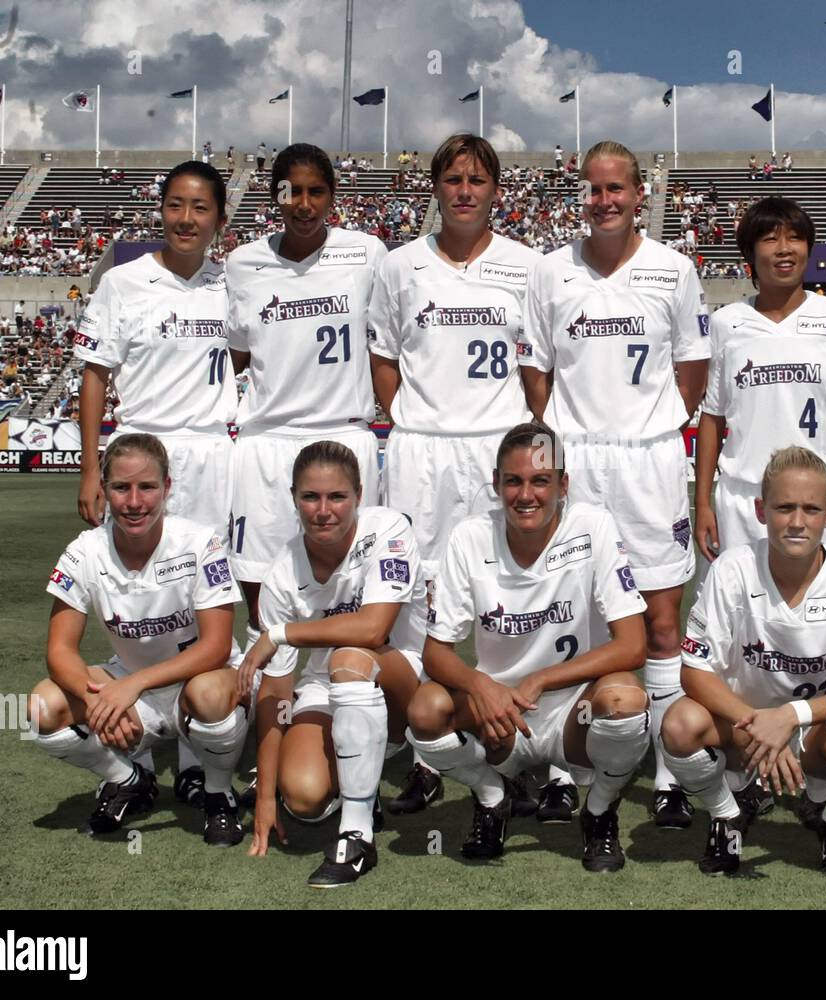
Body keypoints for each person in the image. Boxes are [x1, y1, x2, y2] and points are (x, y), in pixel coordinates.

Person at [518, 140, 711, 829]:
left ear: (638, 195)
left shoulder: (674, 269)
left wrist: (652, 425)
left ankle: (666, 774)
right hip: (579, 462)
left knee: (661, 621)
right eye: (592, 190)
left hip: (649, 460)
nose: (604, 201)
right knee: (577, 617)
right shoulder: (548, 272)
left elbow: (692, 369)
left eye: (616, 190)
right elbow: (535, 369)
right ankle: (569, 771)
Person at [368, 133, 539, 816]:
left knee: (509, 593)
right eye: (452, 178)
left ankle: (524, 746)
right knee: (415, 601)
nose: (464, 190)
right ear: (434, 188)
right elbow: (383, 357)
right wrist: (411, 416)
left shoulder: (529, 266)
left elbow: (538, 364)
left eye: (477, 179)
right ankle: (427, 750)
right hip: (422, 449)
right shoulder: (399, 267)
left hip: (497, 449)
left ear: (496, 189)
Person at [406, 422, 649, 871]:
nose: (526, 495)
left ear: (563, 484)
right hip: (501, 719)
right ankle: (491, 796)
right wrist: (482, 686)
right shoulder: (469, 536)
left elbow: (634, 645)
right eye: (513, 481)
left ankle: (599, 812)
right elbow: (435, 653)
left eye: (540, 481)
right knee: (425, 709)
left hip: (575, 712)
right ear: (497, 483)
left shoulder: (592, 525)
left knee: (626, 698)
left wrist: (541, 678)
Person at [662, 446, 826, 877]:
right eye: (784, 507)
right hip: (741, 728)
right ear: (760, 510)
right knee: (677, 724)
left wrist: (789, 717)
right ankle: (727, 813)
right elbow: (694, 672)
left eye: (811, 508)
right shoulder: (731, 570)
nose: (798, 521)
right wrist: (759, 725)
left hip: (814, 732)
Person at [28, 434, 249, 846]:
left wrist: (133, 685)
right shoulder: (84, 551)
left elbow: (217, 646)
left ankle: (220, 794)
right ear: (104, 490)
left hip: (200, 681)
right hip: (129, 684)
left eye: (146, 487)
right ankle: (129, 780)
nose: (134, 502)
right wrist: (97, 699)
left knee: (211, 696)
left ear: (167, 487)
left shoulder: (200, 543)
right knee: (43, 707)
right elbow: (59, 651)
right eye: (120, 488)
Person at [237, 440, 426, 888]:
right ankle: (360, 772)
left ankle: (357, 832)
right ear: (293, 498)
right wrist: (267, 794)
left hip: (404, 677)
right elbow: (277, 692)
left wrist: (281, 633)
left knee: (352, 656)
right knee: (302, 797)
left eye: (337, 497)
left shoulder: (389, 530)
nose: (323, 510)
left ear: (359, 495)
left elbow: (374, 630)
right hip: (330, 684)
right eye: (310, 497)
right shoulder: (282, 572)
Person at [225, 143, 387, 644]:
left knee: (353, 581)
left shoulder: (366, 253)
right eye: (292, 191)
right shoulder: (242, 264)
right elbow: (235, 356)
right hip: (266, 439)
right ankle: (261, 689)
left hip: (344, 434)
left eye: (317, 192)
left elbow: (387, 340)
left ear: (333, 197)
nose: (304, 203)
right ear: (275, 195)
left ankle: (349, 691)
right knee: (256, 577)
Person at [696, 196, 826, 577]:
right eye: (769, 239)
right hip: (744, 498)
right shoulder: (726, 323)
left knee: (819, 621)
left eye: (794, 238)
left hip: (819, 500)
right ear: (750, 254)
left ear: (809, 248)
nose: (784, 249)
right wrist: (703, 503)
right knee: (738, 622)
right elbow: (711, 419)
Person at [75, 160, 234, 539]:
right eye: (175, 205)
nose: (185, 218)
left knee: (210, 578)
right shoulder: (122, 282)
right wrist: (90, 470)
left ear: (220, 220)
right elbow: (95, 375)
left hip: (211, 454)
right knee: (132, 584)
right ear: (160, 210)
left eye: (200, 207)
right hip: (138, 452)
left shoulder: (232, 285)